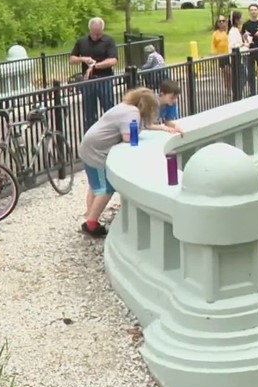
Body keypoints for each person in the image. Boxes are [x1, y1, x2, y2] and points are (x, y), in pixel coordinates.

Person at [78, 87, 179, 238]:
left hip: (88, 146)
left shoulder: (125, 107)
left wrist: (163, 128)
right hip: (96, 152)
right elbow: (128, 137)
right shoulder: (133, 113)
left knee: (95, 184)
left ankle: (89, 215)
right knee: (106, 189)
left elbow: (145, 126)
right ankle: (92, 224)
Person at [70, 17, 119, 131]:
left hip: (104, 78)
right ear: (90, 29)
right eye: (94, 32)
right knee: (89, 111)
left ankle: (111, 132)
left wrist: (95, 66)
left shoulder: (108, 41)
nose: (96, 35)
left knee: (108, 108)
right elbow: (72, 59)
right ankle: (90, 134)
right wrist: (84, 59)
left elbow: (113, 60)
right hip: (88, 81)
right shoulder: (82, 41)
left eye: (98, 32)